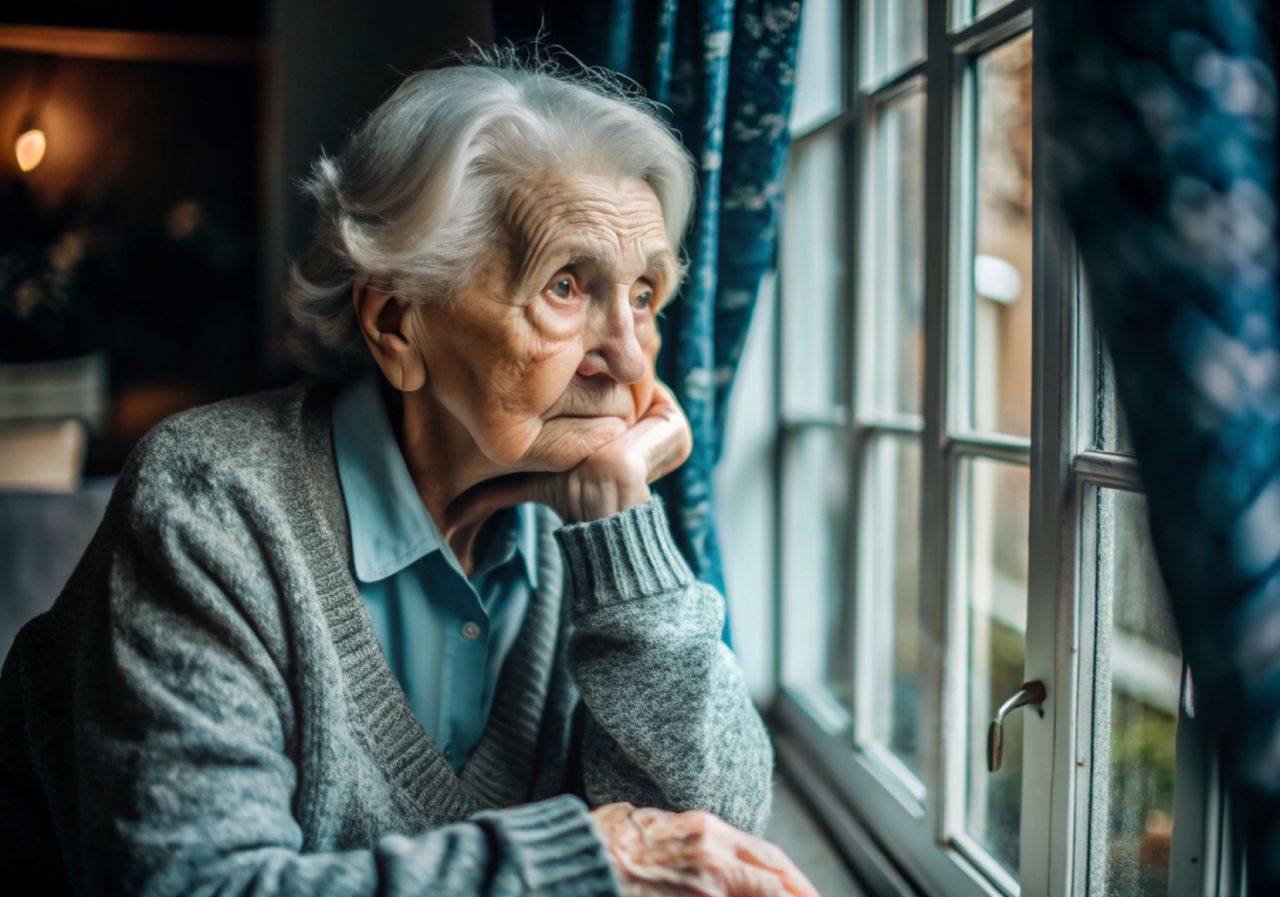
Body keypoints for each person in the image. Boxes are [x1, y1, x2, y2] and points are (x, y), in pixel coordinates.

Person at [0, 51, 818, 897]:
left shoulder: (584, 517)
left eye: (644, 295)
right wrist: (588, 861)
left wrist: (627, 538)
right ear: (396, 322)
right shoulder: (209, 505)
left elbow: (714, 837)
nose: (631, 356)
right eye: (567, 286)